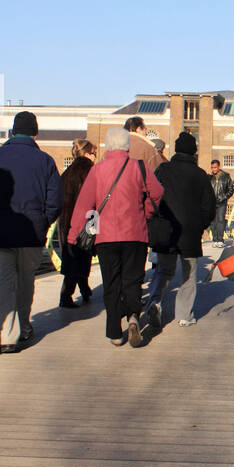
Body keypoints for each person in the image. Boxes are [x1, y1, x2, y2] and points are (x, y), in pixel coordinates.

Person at [68, 127, 164, 347]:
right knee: (133, 279)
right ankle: (132, 317)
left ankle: (114, 332)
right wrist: (146, 210)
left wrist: (75, 234)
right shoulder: (139, 167)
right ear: (127, 145)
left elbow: (85, 204)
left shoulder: (97, 170)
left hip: (106, 237)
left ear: (109, 146)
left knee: (112, 282)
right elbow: (157, 192)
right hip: (135, 234)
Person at [0, 110, 62, 353]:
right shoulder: (45, 161)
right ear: (35, 132)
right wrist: (44, 221)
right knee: (26, 281)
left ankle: (7, 334)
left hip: (1, 228)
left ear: (13, 131)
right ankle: (24, 325)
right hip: (32, 232)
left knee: (5, 282)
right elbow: (55, 199)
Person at [144, 132, 215, 328]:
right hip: (190, 232)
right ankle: (184, 315)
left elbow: (152, 196)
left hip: (166, 228)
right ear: (194, 151)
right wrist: (201, 224)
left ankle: (155, 301)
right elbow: (209, 206)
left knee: (163, 271)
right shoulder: (200, 175)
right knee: (189, 275)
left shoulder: (163, 169)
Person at [58, 139, 96, 307]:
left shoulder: (67, 173)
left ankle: (82, 290)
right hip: (86, 221)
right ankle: (67, 295)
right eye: (93, 153)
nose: (95, 156)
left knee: (72, 257)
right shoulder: (89, 171)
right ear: (87, 154)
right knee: (83, 256)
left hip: (66, 222)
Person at [209, 159, 234, 244]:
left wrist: (223, 197)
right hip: (212, 202)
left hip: (222, 202)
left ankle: (220, 239)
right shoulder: (209, 177)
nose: (213, 170)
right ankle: (215, 239)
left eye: (215, 167)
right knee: (212, 221)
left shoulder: (226, 177)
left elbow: (231, 190)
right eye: (212, 168)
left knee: (220, 219)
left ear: (219, 167)